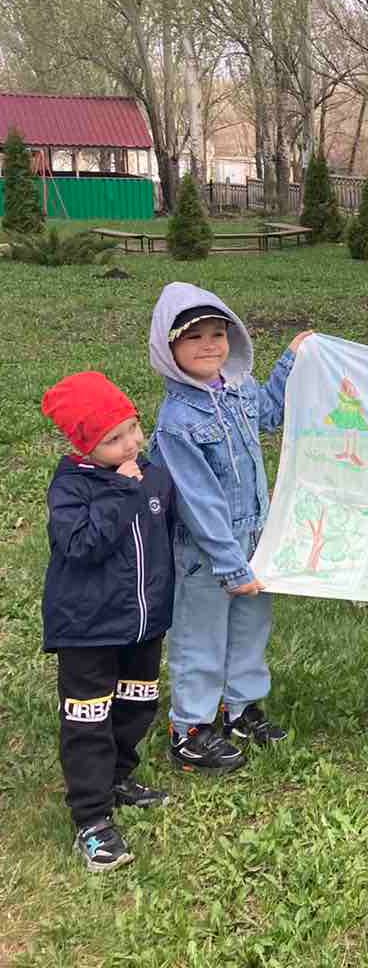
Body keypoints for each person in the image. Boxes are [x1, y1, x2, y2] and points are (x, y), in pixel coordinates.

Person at [148, 282, 312, 773]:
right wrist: (228, 562)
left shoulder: (237, 391)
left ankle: (239, 710)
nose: (209, 345)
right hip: (207, 553)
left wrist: (291, 360)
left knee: (250, 627)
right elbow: (198, 503)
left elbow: (268, 412)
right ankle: (190, 729)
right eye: (193, 336)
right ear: (168, 348)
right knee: (201, 635)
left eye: (218, 333)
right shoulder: (177, 422)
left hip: (254, 538)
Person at [41, 372, 175, 872]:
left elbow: (167, 534)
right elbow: (81, 546)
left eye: (132, 429)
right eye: (112, 439)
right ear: (83, 444)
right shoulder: (72, 487)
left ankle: (120, 775)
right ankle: (91, 818)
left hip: (143, 624)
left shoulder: (153, 474)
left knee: (135, 705)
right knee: (88, 719)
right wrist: (120, 492)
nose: (129, 445)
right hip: (88, 629)